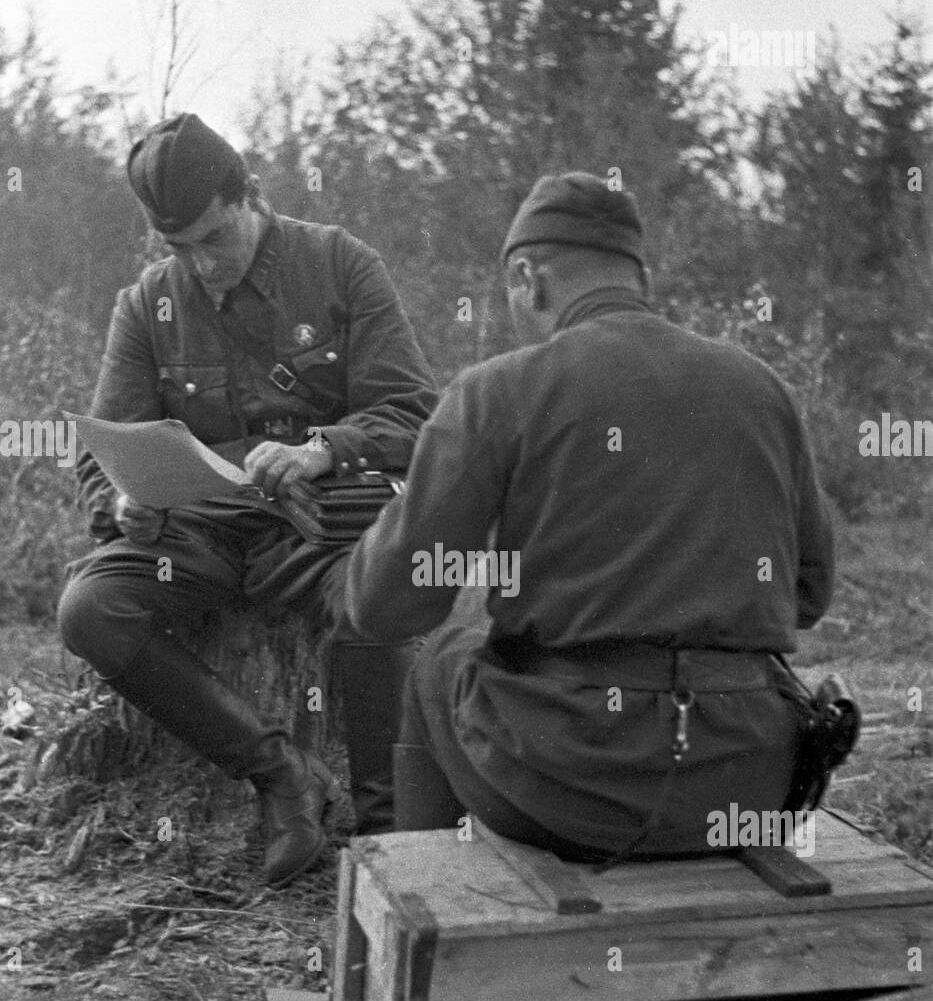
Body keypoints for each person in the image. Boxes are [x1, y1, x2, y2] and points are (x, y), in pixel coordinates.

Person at [344, 171, 835, 862]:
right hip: (747, 786)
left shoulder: (496, 392)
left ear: (527, 277)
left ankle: (429, 906)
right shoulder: (761, 388)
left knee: (438, 666)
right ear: (640, 278)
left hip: (570, 787)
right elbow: (807, 597)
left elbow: (385, 610)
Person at [58, 113, 436, 887]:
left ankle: (388, 842)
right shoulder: (147, 304)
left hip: (313, 534)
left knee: (376, 603)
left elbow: (410, 410)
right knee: (88, 610)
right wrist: (122, 504)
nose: (201, 264)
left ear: (250, 196)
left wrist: (322, 448)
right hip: (192, 540)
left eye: (213, 237)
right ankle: (283, 775)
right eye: (178, 247)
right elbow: (103, 448)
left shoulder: (338, 264)